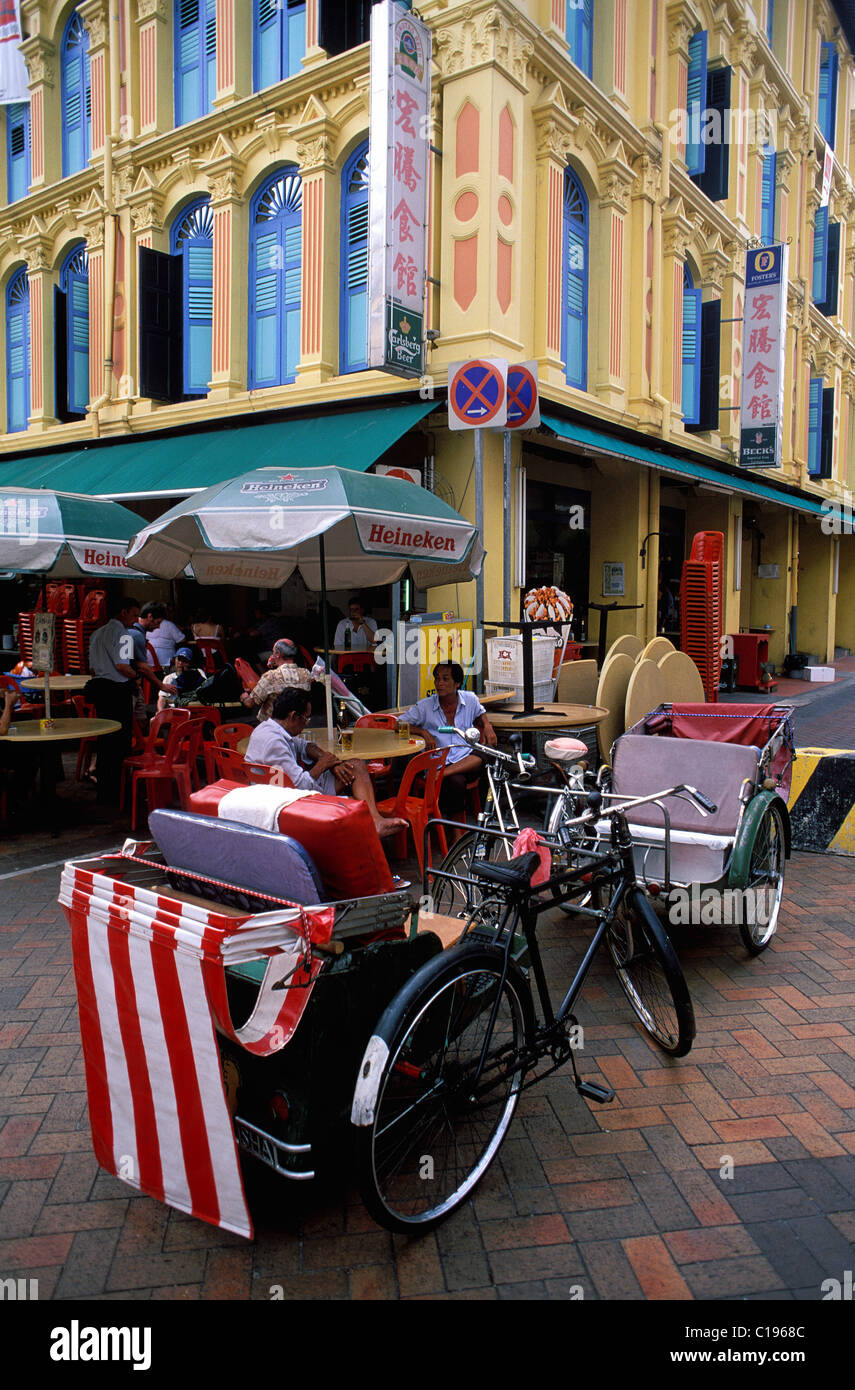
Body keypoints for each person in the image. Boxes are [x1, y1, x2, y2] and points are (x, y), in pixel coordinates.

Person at [244, 688, 407, 839]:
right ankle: (371, 827)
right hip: (288, 799)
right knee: (355, 802)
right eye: (305, 719)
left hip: (286, 789)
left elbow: (304, 745)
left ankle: (376, 820)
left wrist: (333, 764)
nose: (305, 725)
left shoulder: (269, 729)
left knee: (355, 766)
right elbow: (300, 786)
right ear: (293, 716)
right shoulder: (274, 742)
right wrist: (323, 764)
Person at [398, 662, 497, 840]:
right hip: (440, 762)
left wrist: (487, 725)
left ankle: (443, 774)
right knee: (455, 783)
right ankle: (457, 834)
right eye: (437, 679)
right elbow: (399, 724)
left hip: (466, 760)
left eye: (445, 679)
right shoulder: (425, 706)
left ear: (457, 683)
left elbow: (481, 712)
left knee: (488, 752)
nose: (439, 683)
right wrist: (423, 732)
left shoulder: (470, 699)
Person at [84, 596, 143, 806]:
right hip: (117, 691)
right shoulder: (124, 635)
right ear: (123, 612)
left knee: (105, 741)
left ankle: (105, 789)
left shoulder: (97, 634)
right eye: (134, 615)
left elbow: (92, 668)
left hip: (100, 689)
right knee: (119, 743)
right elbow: (122, 666)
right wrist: (136, 677)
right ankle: (118, 793)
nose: (136, 620)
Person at [240, 638, 312, 721]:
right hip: (296, 724)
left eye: (273, 652)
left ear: (277, 654)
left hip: (273, 726)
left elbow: (251, 703)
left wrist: (244, 697)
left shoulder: (271, 676)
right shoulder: (306, 674)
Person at [156, 647, 206, 711]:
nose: (180, 663)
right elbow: (161, 698)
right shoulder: (169, 678)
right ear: (175, 660)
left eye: (184, 661)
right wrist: (160, 713)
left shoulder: (198, 673)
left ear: (189, 663)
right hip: (175, 710)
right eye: (179, 659)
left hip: (194, 708)